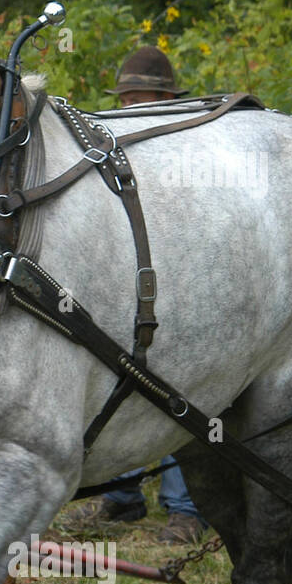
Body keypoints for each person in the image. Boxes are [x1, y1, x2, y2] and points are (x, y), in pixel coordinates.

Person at [68, 46, 208, 545]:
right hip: (122, 282)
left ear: (166, 98)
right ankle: (122, 497)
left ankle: (186, 509)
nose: (132, 109)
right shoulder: (104, 142)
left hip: (179, 282)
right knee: (117, 387)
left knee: (174, 393)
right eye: (126, 100)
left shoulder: (190, 144)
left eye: (140, 99)